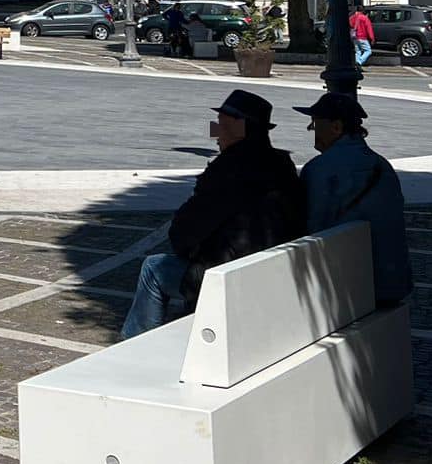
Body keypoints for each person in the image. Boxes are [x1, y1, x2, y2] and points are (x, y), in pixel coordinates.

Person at [121, 89, 304, 338]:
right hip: (274, 272)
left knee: (153, 268)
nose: (215, 134)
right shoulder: (282, 164)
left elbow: (185, 231)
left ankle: (135, 342)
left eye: (220, 125)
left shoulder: (227, 170)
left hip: (229, 276)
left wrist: (192, 249)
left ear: (238, 128)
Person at [298, 92, 413, 307]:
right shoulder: (382, 165)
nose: (310, 130)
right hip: (391, 283)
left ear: (336, 127)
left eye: (315, 124)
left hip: (346, 288)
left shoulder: (319, 169)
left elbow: (313, 228)